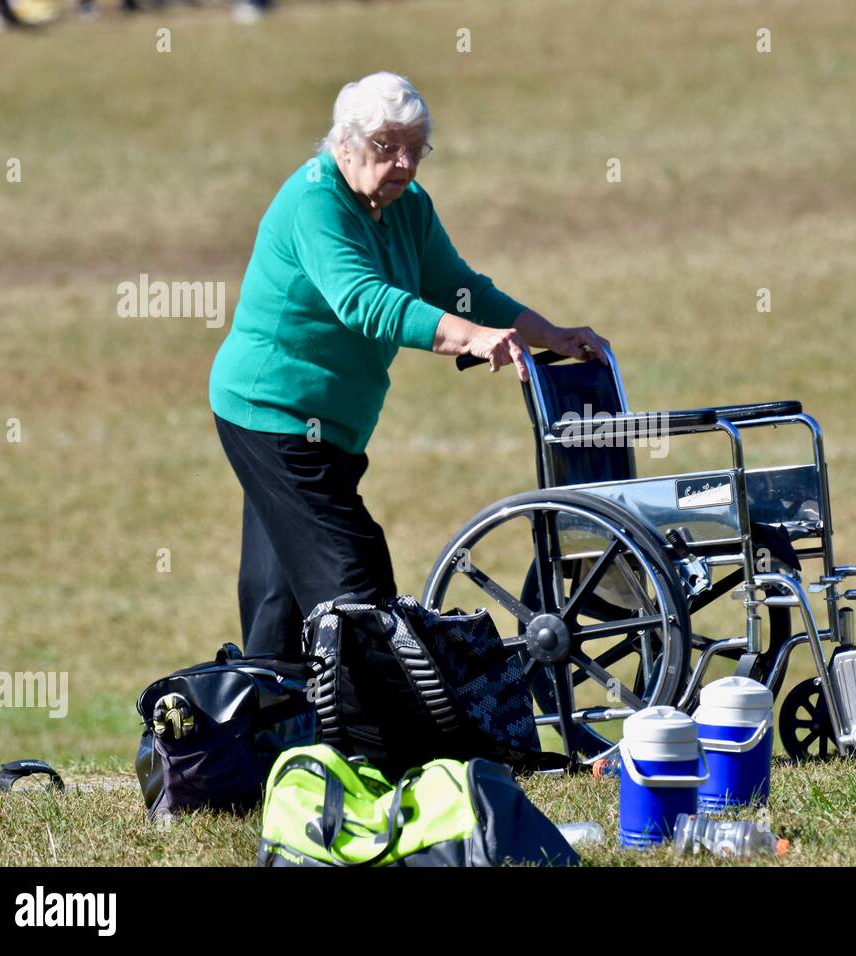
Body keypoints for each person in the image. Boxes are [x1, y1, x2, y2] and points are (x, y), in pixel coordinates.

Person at [209, 72, 608, 661]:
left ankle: (263, 728)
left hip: (331, 425)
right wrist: (469, 339)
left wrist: (548, 332)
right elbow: (364, 302)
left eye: (414, 149)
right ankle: (373, 734)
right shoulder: (315, 203)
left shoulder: (407, 205)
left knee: (280, 596)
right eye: (385, 147)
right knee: (355, 581)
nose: (403, 163)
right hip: (273, 414)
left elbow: (459, 288)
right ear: (344, 144)